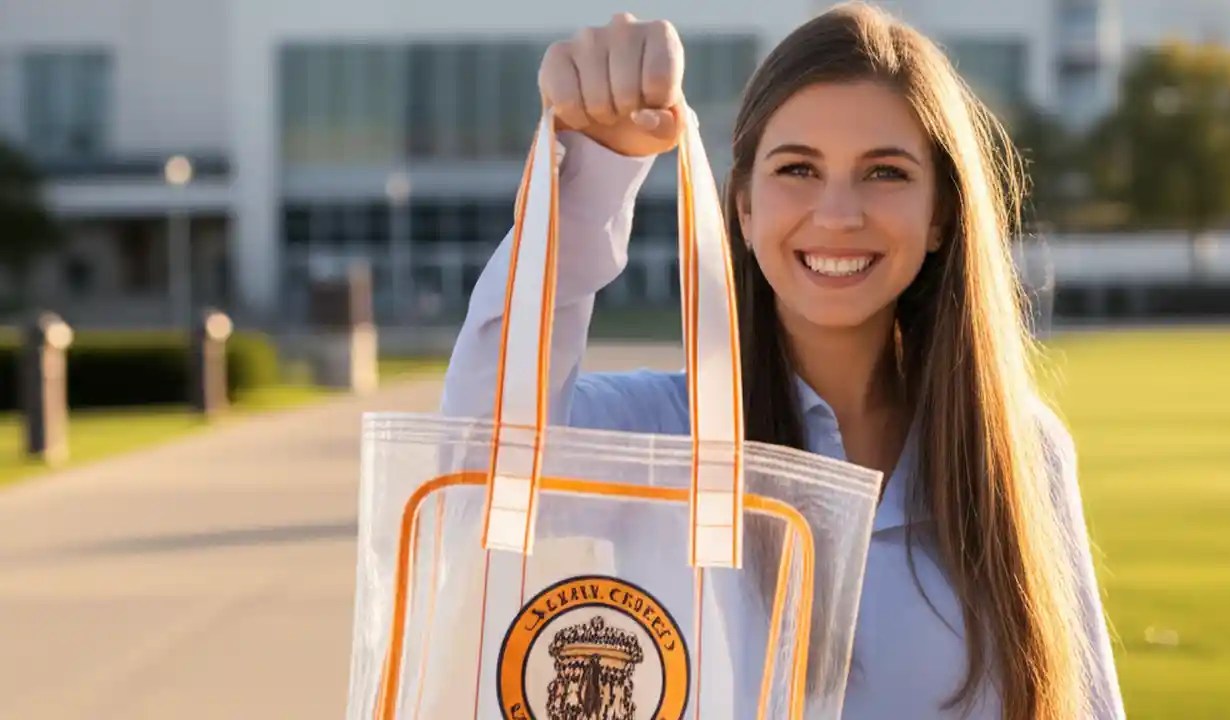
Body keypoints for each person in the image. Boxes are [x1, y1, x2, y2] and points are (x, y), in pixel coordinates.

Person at [441, 3, 1124, 718]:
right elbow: (478, 464)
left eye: (884, 173)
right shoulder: (660, 440)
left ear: (940, 216)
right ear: (742, 206)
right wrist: (599, 169)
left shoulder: (1021, 449)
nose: (837, 214)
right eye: (797, 168)